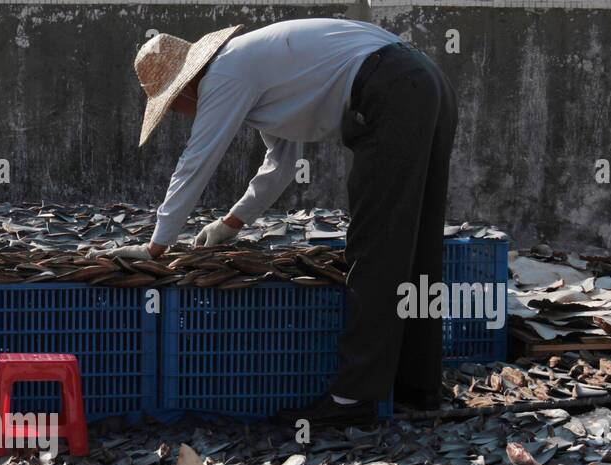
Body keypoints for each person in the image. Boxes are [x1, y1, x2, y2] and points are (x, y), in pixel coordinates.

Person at [113, 18, 457, 426]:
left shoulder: (224, 73)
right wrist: (232, 222)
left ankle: (353, 400)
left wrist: (157, 244)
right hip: (424, 80)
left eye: (173, 105)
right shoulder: (257, 67)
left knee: (376, 246)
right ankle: (418, 388)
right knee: (416, 243)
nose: (181, 114)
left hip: (392, 89)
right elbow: (281, 165)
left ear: (186, 86)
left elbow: (196, 161)